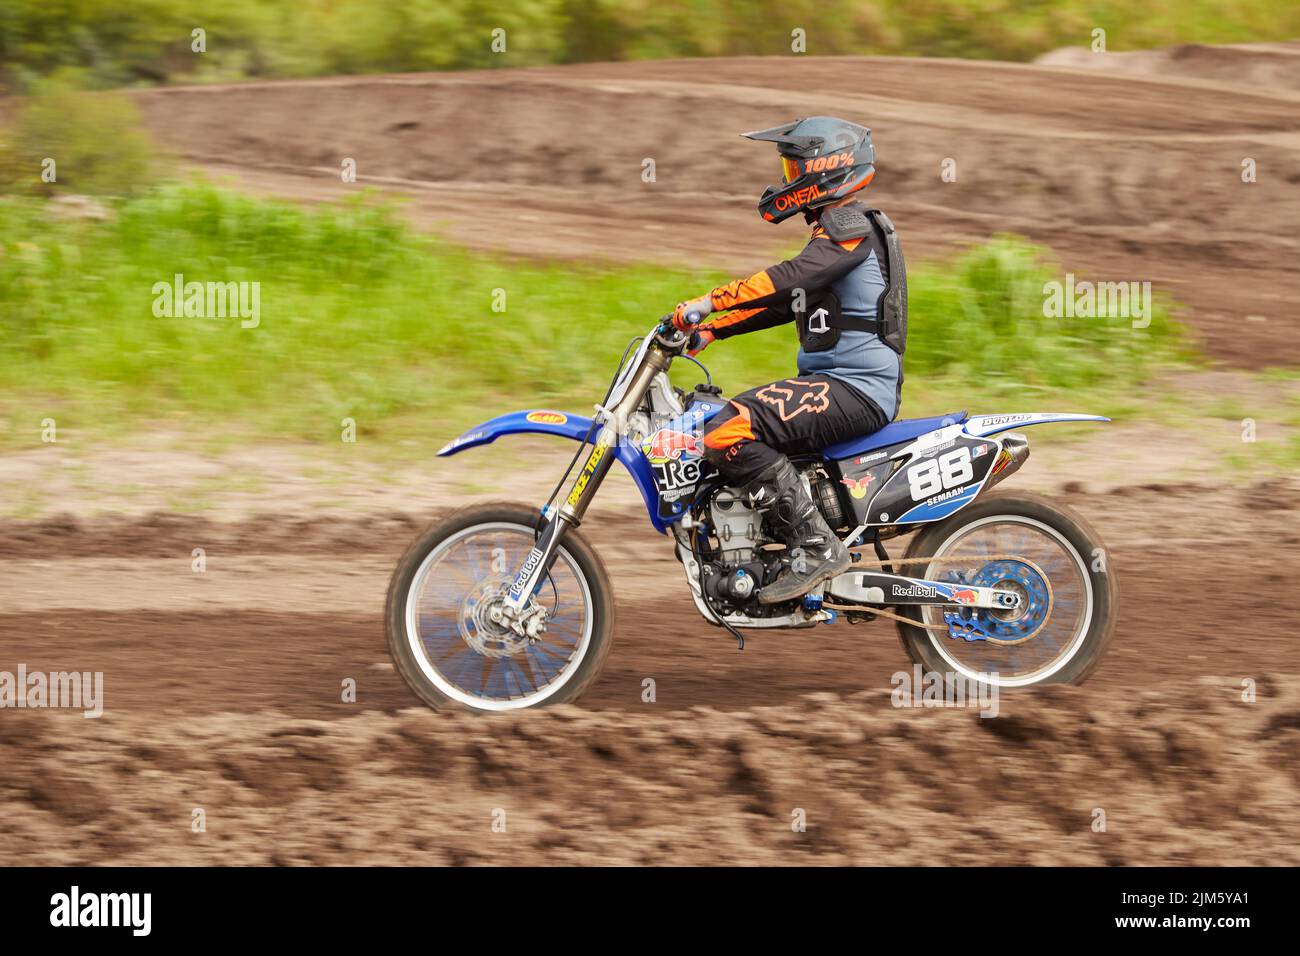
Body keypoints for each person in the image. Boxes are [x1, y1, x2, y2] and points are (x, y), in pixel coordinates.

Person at [670, 117, 908, 604]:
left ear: (823, 169)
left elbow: (790, 276)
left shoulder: (849, 226)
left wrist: (712, 300)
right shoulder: (835, 232)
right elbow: (789, 301)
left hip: (857, 389)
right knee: (723, 426)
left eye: (791, 167)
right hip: (838, 384)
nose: (784, 179)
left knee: (726, 431)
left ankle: (817, 547)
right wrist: (714, 330)